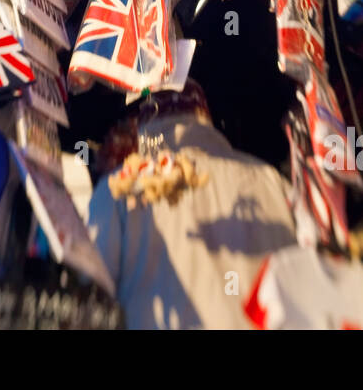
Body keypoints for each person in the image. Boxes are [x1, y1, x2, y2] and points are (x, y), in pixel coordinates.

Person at [87, 81, 297, 328]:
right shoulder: (270, 179)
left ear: (142, 125)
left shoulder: (119, 187)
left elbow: (88, 288)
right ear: (204, 118)